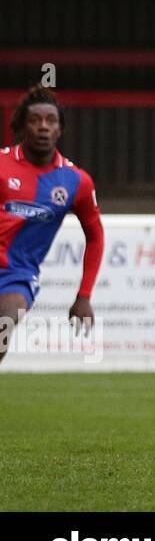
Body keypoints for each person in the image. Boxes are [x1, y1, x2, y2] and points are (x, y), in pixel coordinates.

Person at [0, 87, 103, 364]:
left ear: (60, 129)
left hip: (15, 275)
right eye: (35, 120)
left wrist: (84, 296)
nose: (43, 127)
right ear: (22, 126)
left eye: (50, 121)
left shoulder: (75, 181)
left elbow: (95, 236)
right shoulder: (1, 164)